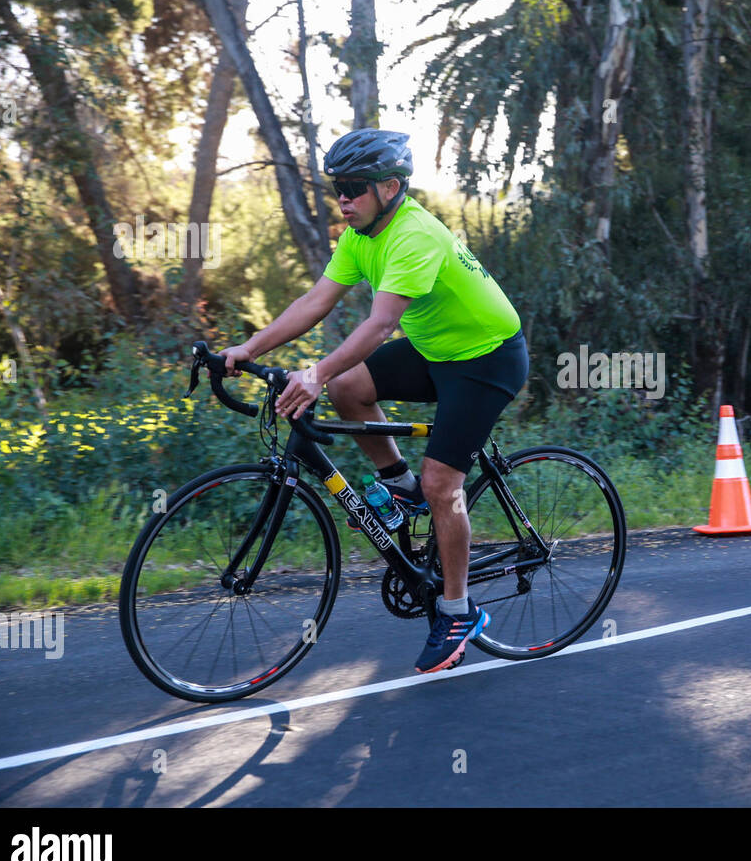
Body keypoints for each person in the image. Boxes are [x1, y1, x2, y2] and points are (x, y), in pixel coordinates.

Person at [217, 128, 528, 673]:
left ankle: (457, 611)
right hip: (436, 350)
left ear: (390, 186)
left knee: (443, 485)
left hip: (487, 359)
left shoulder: (413, 234)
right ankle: (400, 485)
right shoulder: (360, 237)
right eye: (337, 187)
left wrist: (313, 373)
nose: (343, 198)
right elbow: (315, 301)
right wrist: (249, 348)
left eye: (354, 187)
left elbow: (381, 324)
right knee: (348, 387)